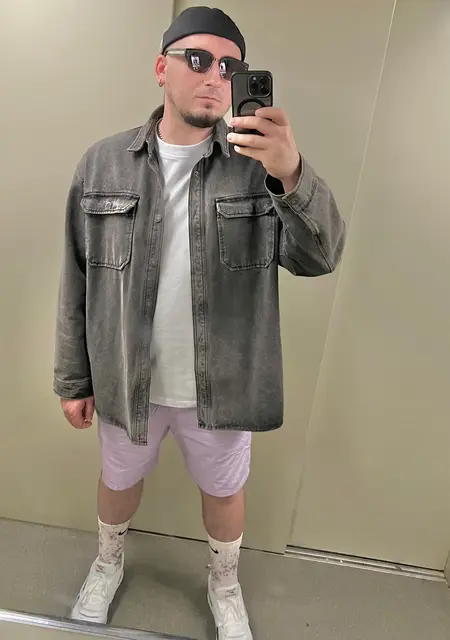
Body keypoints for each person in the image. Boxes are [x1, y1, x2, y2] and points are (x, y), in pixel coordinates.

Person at [53, 6, 346, 639]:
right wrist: (74, 378)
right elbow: (77, 278)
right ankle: (107, 563)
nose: (215, 74)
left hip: (224, 387)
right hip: (126, 379)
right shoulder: (103, 165)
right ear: (162, 69)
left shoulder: (259, 166)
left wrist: (291, 173)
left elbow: (320, 257)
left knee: (224, 491)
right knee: (117, 480)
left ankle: (225, 584)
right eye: (198, 59)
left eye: (229, 65)